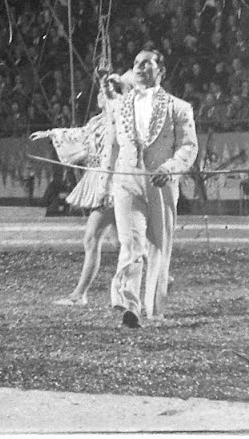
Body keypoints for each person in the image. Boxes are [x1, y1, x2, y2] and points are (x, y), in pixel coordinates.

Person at [103, 48, 197, 328]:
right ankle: (129, 306)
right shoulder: (120, 105)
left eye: (148, 63)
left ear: (161, 70)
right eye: (137, 64)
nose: (141, 68)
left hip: (162, 183)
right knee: (131, 243)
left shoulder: (179, 107)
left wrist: (169, 169)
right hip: (127, 179)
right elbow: (113, 144)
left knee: (159, 245)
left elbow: (189, 147)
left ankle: (153, 307)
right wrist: (107, 181)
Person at [30, 70, 127, 306]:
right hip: (98, 180)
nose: (100, 97)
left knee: (92, 239)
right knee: (122, 243)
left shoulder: (120, 120)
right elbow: (81, 134)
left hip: (112, 183)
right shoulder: (97, 121)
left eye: (105, 94)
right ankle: (161, 278)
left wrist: (108, 85)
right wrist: (51, 133)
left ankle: (79, 294)